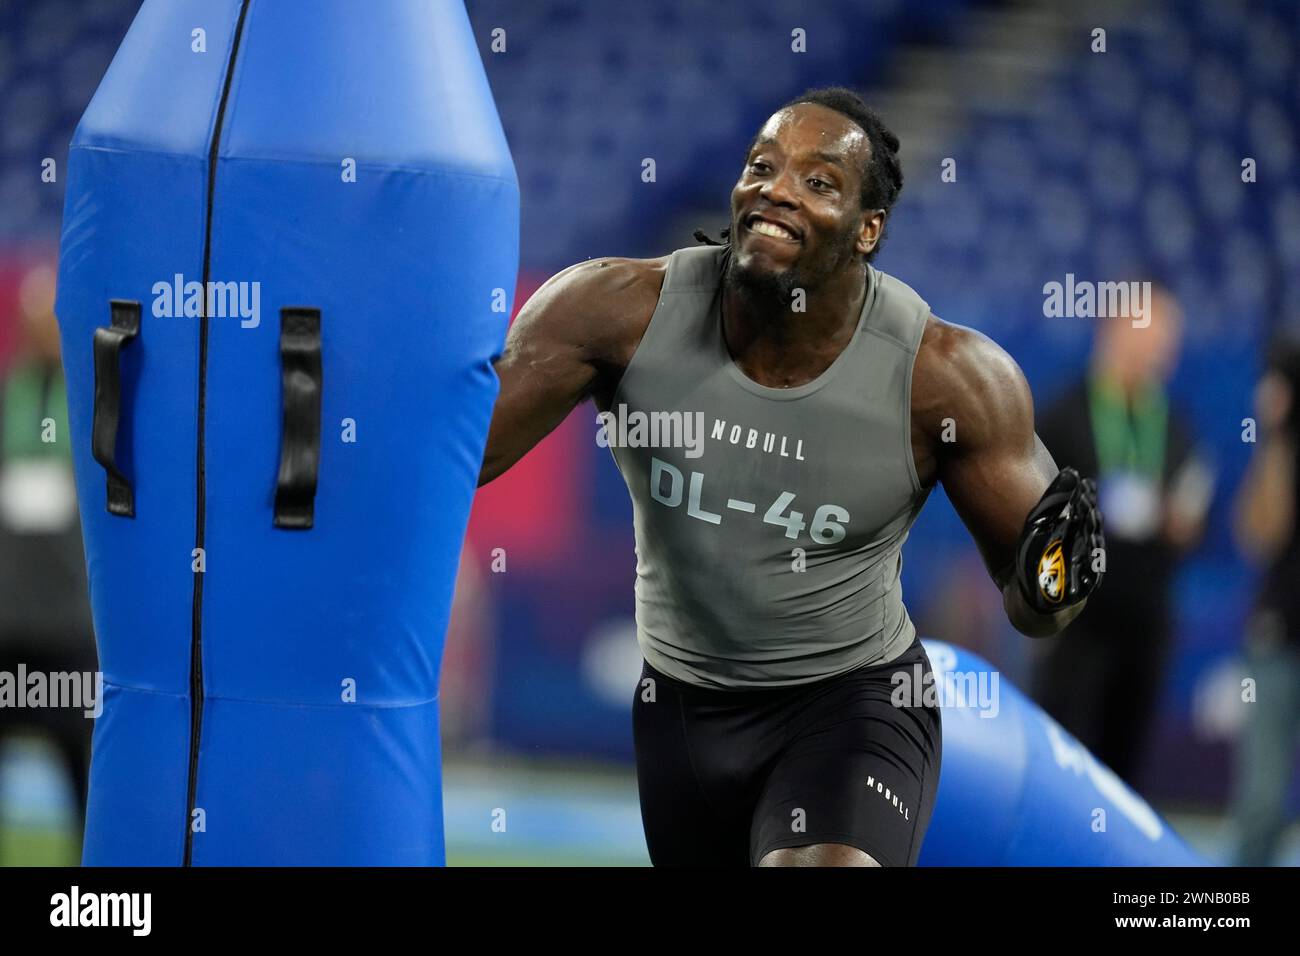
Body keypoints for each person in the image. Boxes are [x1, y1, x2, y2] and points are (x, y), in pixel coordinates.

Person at [478, 86, 1104, 867]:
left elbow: (1036, 604)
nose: (776, 188)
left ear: (868, 230)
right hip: (680, 709)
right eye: (763, 166)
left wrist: (1057, 583)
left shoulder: (946, 379)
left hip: (849, 702)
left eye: (818, 181)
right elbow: (463, 454)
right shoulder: (616, 312)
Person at [1031, 285, 1212, 785]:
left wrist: (1182, 521)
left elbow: (1198, 512)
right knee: (1065, 760)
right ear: (1112, 332)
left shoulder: (1174, 422)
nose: (1158, 350)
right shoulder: (1063, 413)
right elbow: (1032, 509)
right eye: (1148, 334)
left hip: (1147, 619)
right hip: (1076, 618)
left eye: (1167, 340)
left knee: (1123, 771)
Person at [0, 264, 97, 861]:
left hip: (70, 629)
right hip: (9, 625)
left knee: (84, 779)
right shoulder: (10, 396)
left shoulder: (92, 406)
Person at [1230, 337, 1300, 866]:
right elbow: (1259, 535)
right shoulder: (1280, 445)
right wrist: (1274, 437)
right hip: (1278, 640)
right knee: (1261, 801)